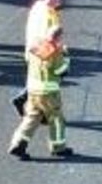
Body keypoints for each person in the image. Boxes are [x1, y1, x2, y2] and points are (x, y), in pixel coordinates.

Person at [8, 26, 72, 160]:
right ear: (58, 37)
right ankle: (58, 147)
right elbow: (61, 71)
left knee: (32, 118)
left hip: (32, 90)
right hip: (49, 92)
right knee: (56, 119)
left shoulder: (36, 45)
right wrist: (66, 57)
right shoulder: (55, 52)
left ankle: (18, 143)